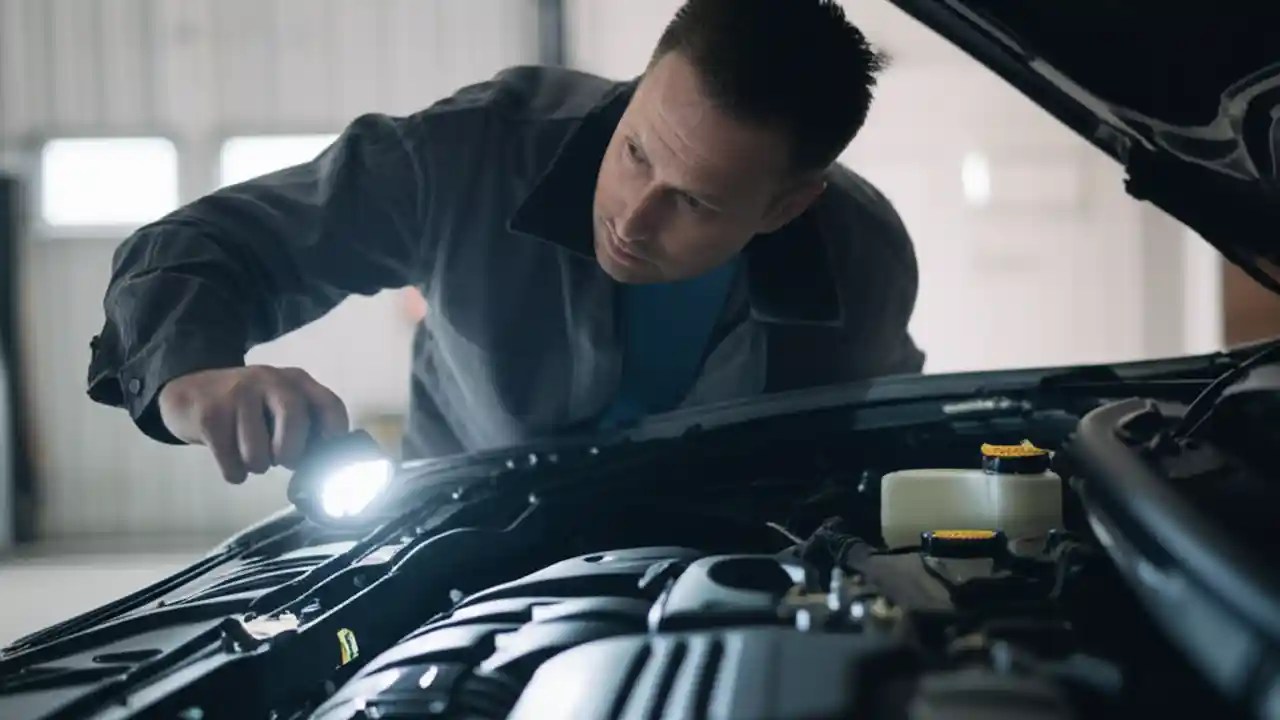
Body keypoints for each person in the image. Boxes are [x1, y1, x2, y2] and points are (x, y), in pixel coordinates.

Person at [87, 0, 925, 484]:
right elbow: (205, 245)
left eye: (695, 202)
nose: (631, 220)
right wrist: (195, 377)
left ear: (785, 205)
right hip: (456, 578)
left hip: (719, 597)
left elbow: (865, 459)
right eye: (635, 151)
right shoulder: (473, 156)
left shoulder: (866, 262)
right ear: (640, 84)